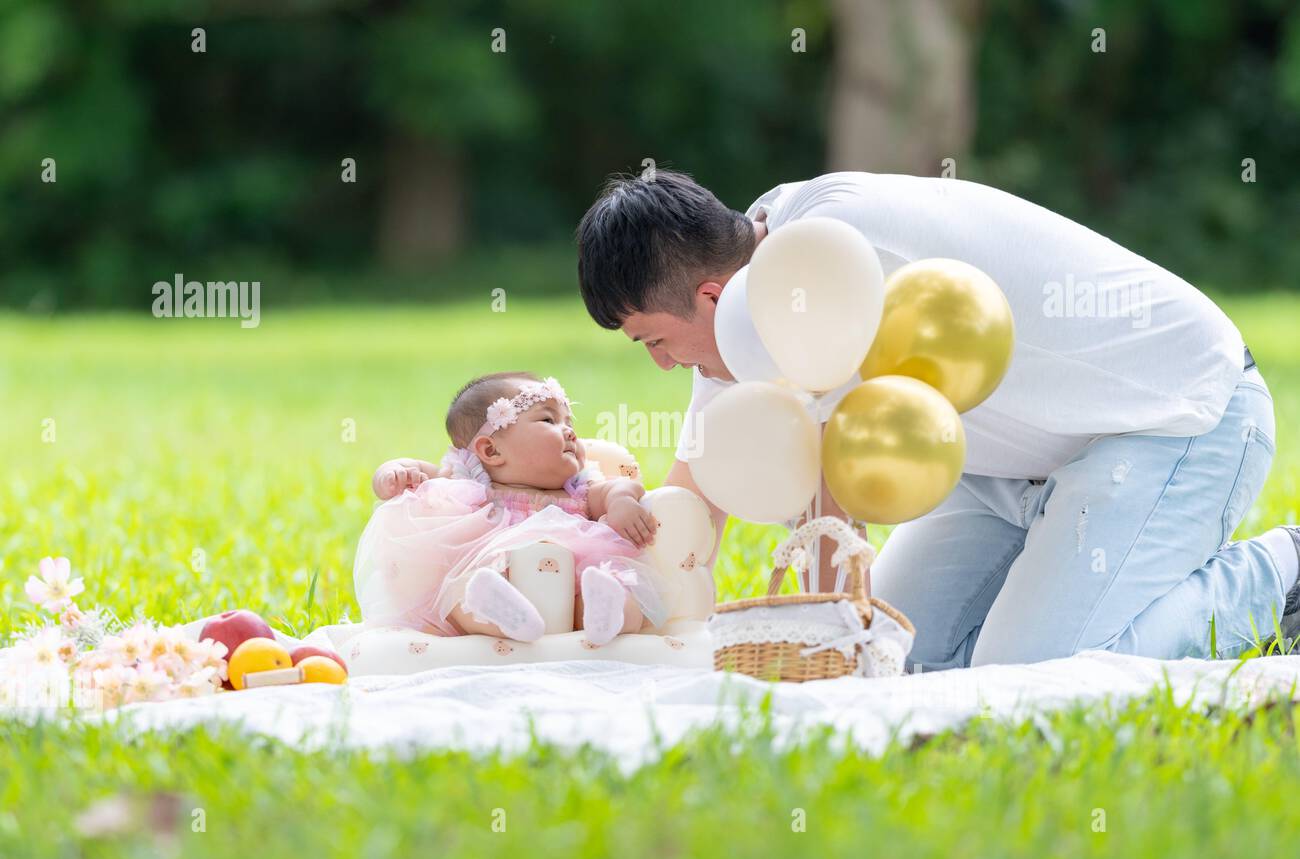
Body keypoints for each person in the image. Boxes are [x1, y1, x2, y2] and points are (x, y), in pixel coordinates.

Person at [576, 169, 1300, 669]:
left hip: (1175, 417)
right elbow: (697, 497)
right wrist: (592, 573)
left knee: (1033, 677)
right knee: (904, 658)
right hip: (1007, 472)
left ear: (707, 296)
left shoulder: (828, 257)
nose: (665, 367)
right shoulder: (752, 290)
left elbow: (830, 518)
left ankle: (1282, 569)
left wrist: (825, 641)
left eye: (655, 343)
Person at [356, 372, 671, 644]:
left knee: (619, 584)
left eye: (569, 421)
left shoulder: (580, 489)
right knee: (458, 592)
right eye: (549, 420)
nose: (571, 432)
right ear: (491, 450)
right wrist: (393, 473)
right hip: (496, 570)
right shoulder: (470, 480)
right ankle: (497, 610)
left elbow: (620, 486)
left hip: (571, 580)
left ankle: (605, 610)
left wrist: (622, 503)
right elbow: (414, 469)